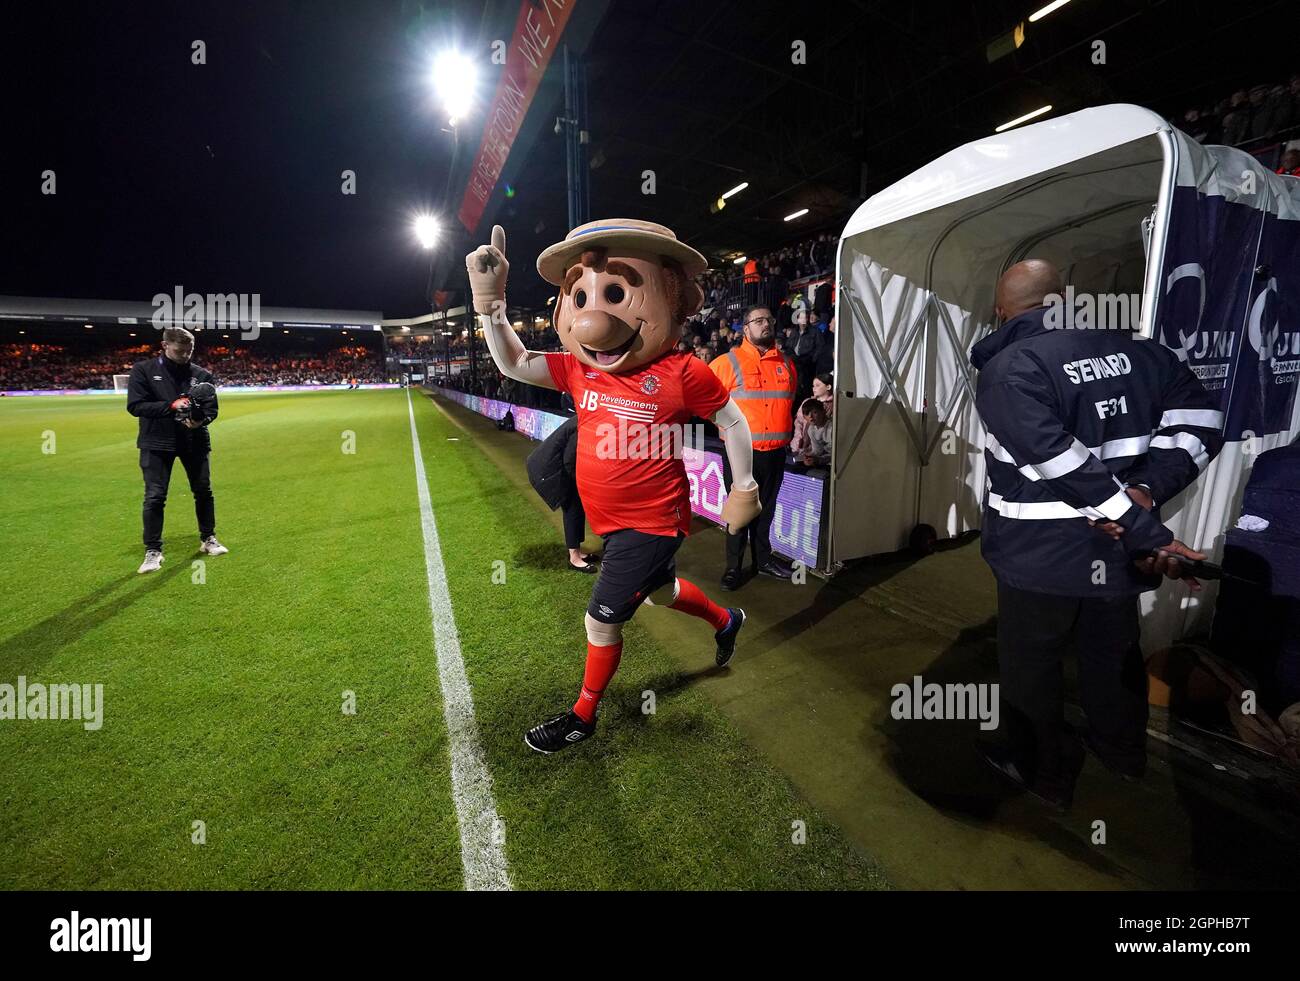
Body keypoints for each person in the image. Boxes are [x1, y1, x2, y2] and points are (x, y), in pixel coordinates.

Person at [467, 221, 761, 753]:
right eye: (581, 296)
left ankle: (582, 716)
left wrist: (745, 488)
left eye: (619, 294)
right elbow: (512, 362)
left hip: (653, 522)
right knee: (660, 594)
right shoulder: (581, 371)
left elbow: (733, 421)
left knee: (600, 621)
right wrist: (491, 308)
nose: (595, 320)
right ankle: (726, 620)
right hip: (615, 521)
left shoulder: (681, 371)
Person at [971, 259, 1224, 809]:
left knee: (1030, 667)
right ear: (1062, 300)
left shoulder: (1010, 369)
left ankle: (1042, 770)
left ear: (1000, 312)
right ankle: (1122, 753)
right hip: (1112, 554)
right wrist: (1146, 495)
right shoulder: (1140, 352)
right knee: (1113, 655)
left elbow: (1058, 460)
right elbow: (1204, 421)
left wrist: (1139, 524)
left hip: (1037, 558)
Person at [709, 305, 799, 588]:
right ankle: (733, 568)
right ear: (745, 329)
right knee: (739, 514)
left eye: (768, 319)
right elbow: (705, 403)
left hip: (774, 454)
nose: (765, 324)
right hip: (740, 455)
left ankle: (763, 561)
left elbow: (790, 399)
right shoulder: (726, 363)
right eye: (757, 320)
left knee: (766, 510)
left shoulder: (786, 363)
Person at [126, 326, 229, 573]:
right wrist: (170, 406)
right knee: (155, 496)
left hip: (194, 441)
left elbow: (211, 410)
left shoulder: (202, 374)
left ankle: (208, 538)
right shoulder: (144, 370)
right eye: (180, 350)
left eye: (190, 350)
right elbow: (136, 406)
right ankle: (153, 551)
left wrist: (200, 421)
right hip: (156, 442)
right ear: (165, 346)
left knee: (203, 491)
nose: (185, 355)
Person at [791, 372, 833, 461]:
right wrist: (798, 442)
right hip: (802, 446)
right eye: (813, 386)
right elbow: (799, 422)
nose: (814, 388)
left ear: (828, 387)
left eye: (817, 385)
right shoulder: (807, 402)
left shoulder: (834, 405)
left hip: (823, 452)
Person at [793, 398, 832, 469]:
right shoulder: (811, 429)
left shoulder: (832, 427)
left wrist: (819, 460)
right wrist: (808, 457)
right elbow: (817, 451)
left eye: (814, 412)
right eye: (807, 414)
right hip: (824, 461)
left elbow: (835, 454)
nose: (810, 417)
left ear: (823, 411)